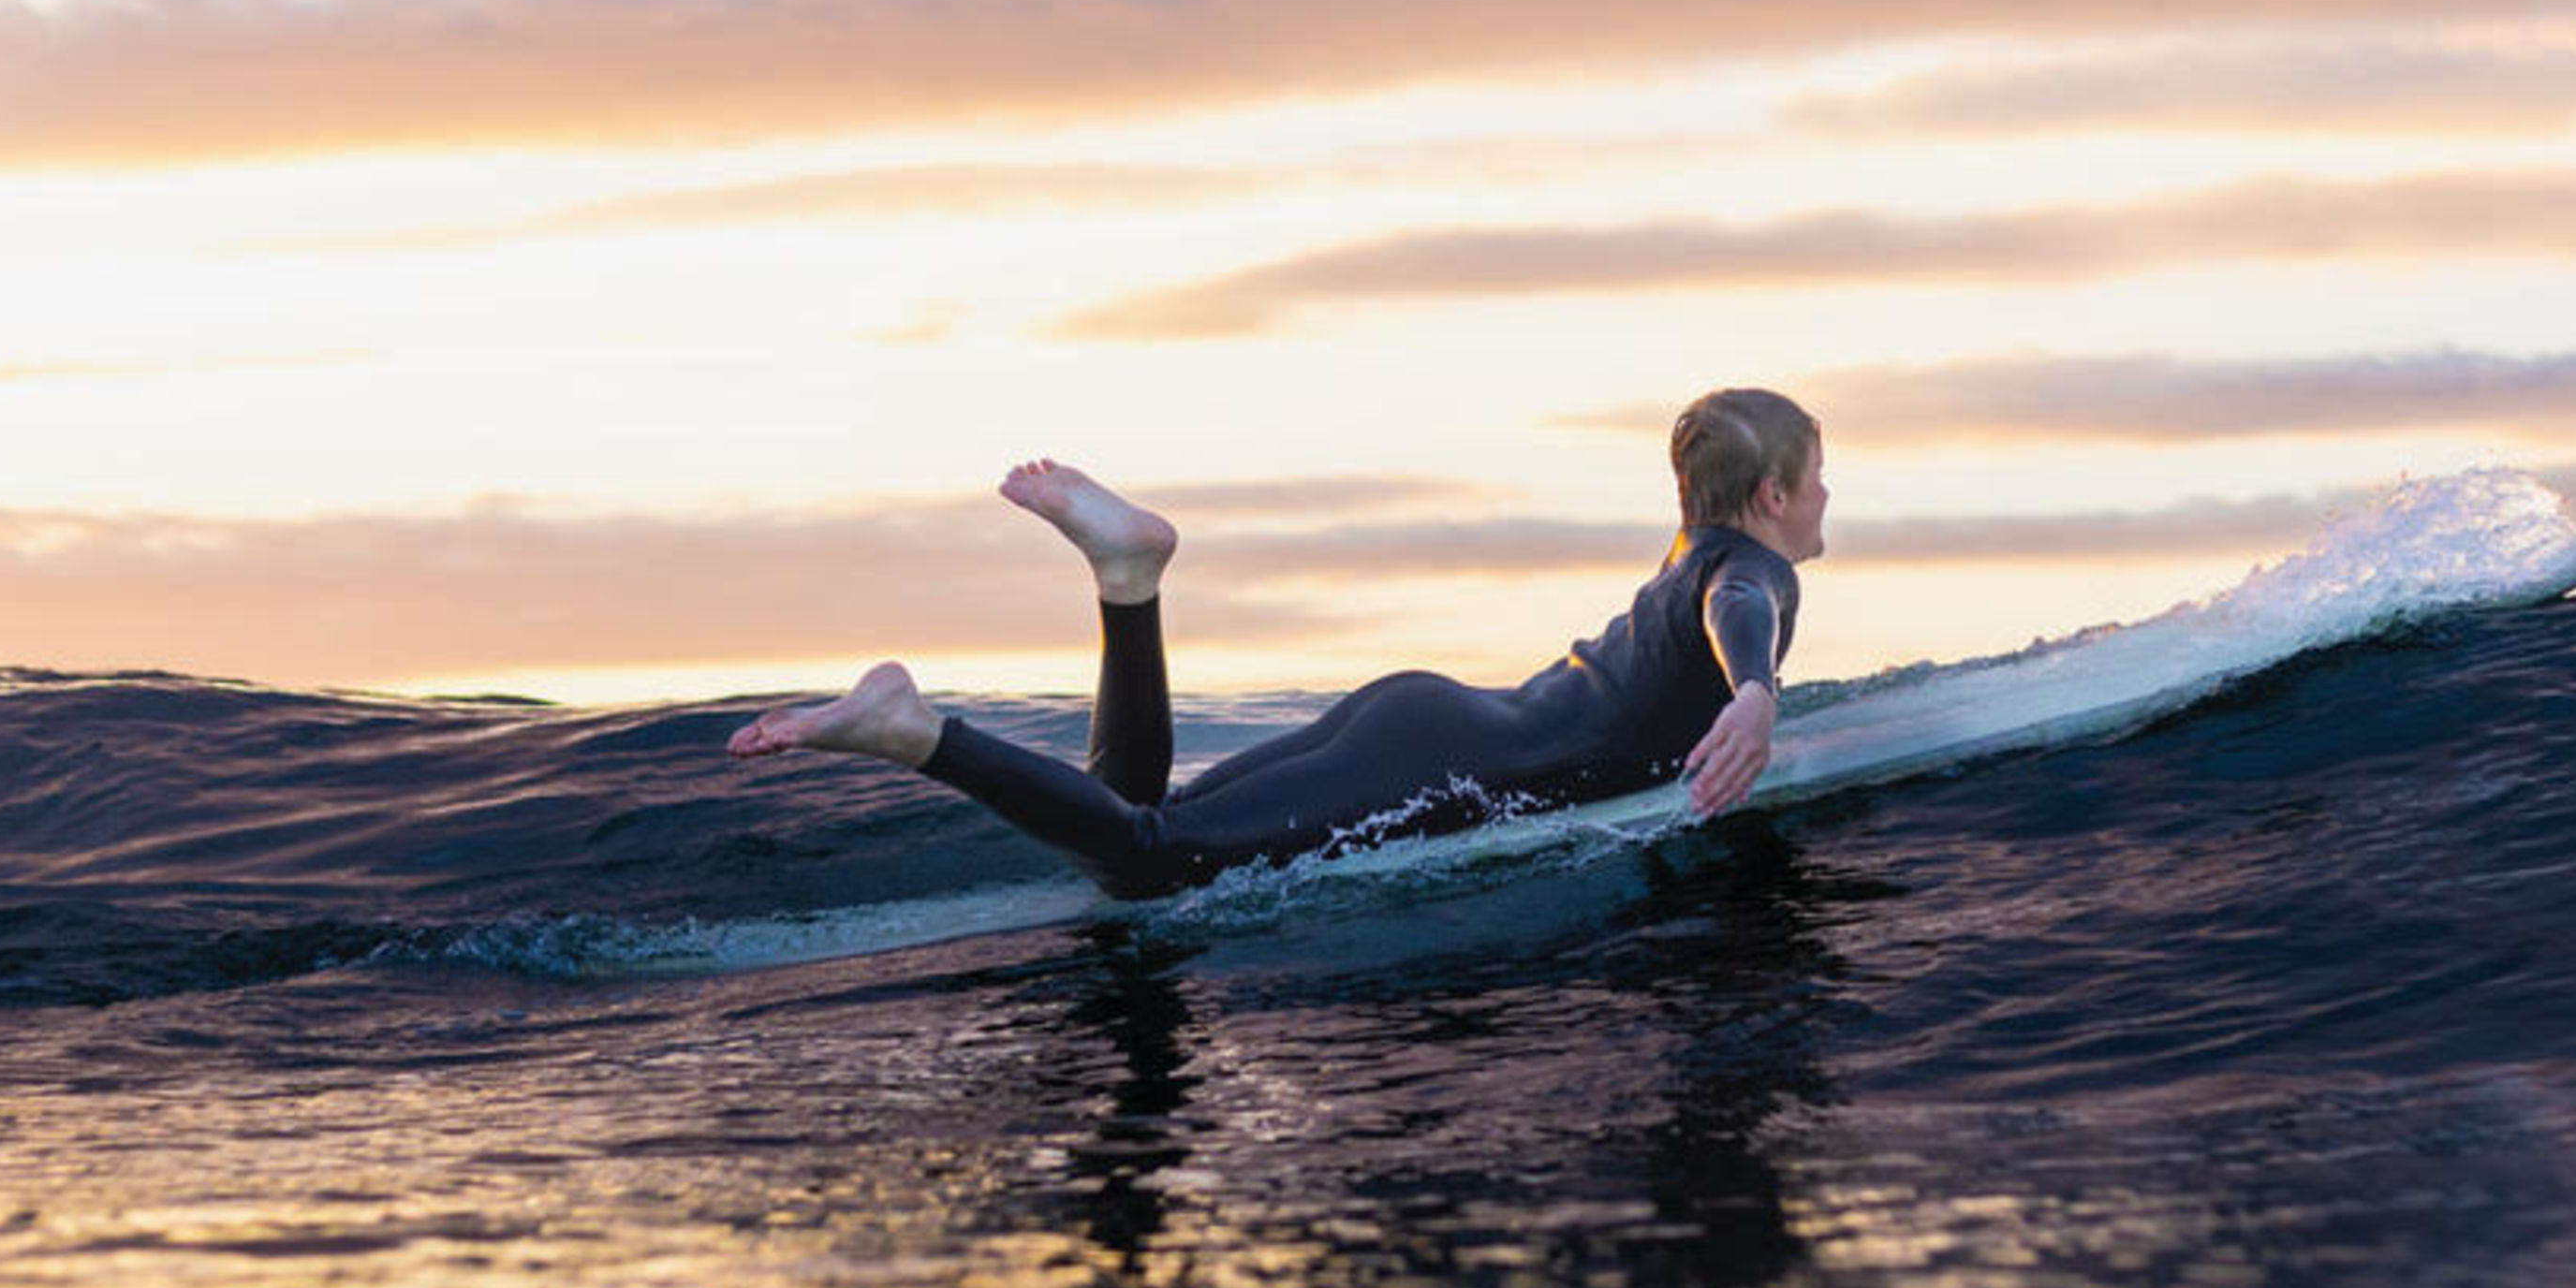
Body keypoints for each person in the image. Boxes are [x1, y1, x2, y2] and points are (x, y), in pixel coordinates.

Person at [729, 388, 1831, 900]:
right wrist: (1756, 698)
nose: (1826, 496)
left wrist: (1743, 690)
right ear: (1773, 493)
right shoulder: (1751, 570)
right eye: (1816, 477)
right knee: (1149, 863)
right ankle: (917, 734)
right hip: (1448, 763)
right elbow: (1742, 613)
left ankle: (1129, 580)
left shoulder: (1690, 555)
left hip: (1426, 716)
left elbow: (1713, 603)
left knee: (1135, 819)